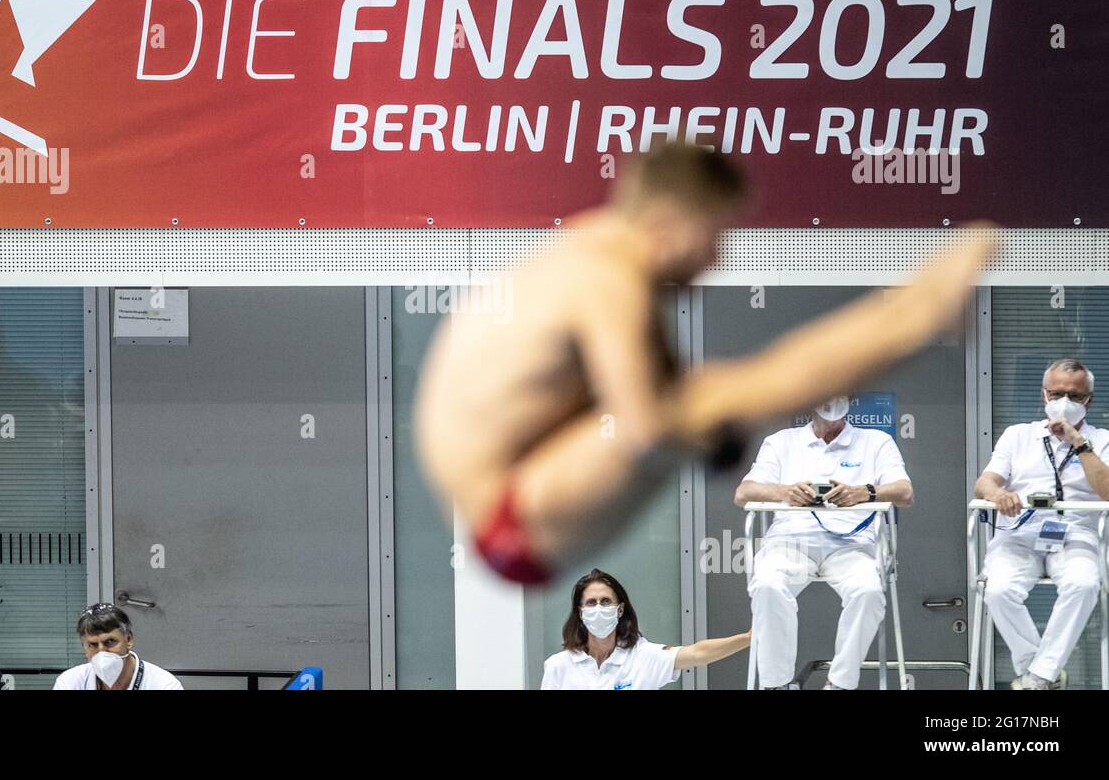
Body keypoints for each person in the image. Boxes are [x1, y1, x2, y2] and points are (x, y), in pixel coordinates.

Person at [415, 141, 996, 584]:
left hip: (511, 504)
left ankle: (913, 315)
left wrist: (711, 437)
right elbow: (649, 428)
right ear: (665, 226)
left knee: (705, 393)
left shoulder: (588, 247)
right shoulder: (606, 282)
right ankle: (916, 316)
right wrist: (716, 431)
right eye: (713, 236)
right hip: (513, 520)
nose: (717, 258)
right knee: (712, 394)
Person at [734, 395, 913, 689]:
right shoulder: (782, 442)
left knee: (867, 591)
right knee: (767, 585)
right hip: (791, 542)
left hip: (852, 545)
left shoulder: (875, 441)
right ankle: (777, 684)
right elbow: (744, 493)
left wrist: (863, 493)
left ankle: (840, 684)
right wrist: (785, 492)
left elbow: (904, 492)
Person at [974, 358, 1109, 689]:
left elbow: (1106, 490)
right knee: (998, 588)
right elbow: (985, 482)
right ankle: (1040, 672)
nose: (1064, 402)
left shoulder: (1101, 439)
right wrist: (998, 494)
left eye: (1074, 396)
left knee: (1084, 584)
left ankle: (1037, 679)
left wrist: (1079, 443)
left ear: (1088, 400)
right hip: (1020, 532)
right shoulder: (1017, 435)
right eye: (1056, 393)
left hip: (1076, 534)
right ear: (1043, 396)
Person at [541, 568, 749, 690]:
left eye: (605, 602)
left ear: (620, 609)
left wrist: (749, 638)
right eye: (591, 602)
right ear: (580, 611)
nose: (598, 608)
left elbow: (697, 653)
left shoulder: (642, 656)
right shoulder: (558, 666)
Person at [53, 603, 184, 690]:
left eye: (110, 642)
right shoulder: (69, 683)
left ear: (129, 639)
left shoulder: (164, 685)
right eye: (92, 645)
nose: (102, 652)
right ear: (84, 648)